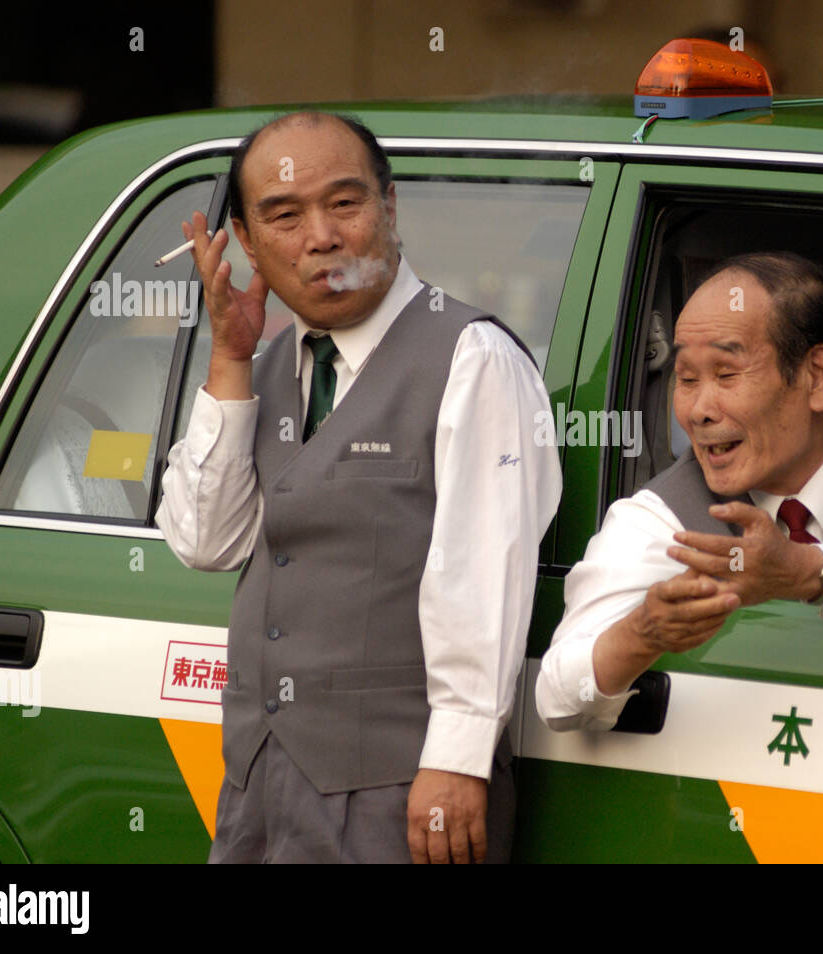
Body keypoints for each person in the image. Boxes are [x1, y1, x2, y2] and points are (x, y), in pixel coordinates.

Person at [155, 110, 560, 862]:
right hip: (258, 781)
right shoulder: (268, 368)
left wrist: (457, 758)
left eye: (344, 203)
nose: (321, 237)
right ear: (246, 243)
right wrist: (230, 362)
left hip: (402, 789)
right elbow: (207, 543)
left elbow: (485, 570)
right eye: (283, 216)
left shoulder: (471, 357)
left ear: (389, 207)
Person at [535, 251, 823, 731]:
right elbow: (558, 699)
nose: (699, 411)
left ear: (815, 376)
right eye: (686, 379)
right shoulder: (663, 516)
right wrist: (642, 633)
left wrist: (808, 572)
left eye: (727, 375)